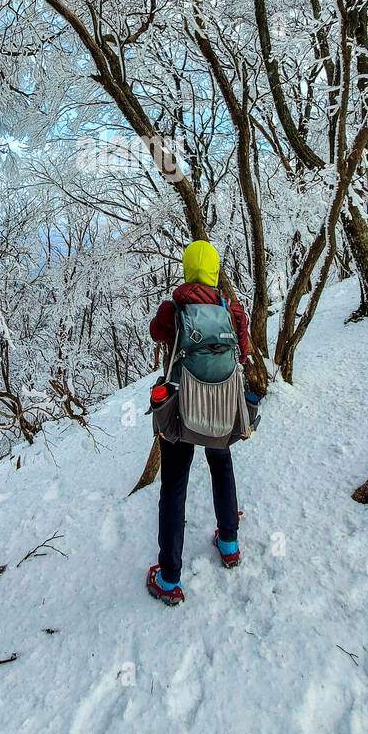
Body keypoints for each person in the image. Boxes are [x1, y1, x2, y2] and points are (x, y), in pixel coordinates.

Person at [146, 240, 251, 607]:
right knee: (222, 466)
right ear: (215, 270)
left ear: (188, 268)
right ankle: (229, 543)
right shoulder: (231, 309)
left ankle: (170, 577)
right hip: (220, 407)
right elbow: (246, 350)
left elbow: (155, 333)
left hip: (179, 408)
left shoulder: (172, 309)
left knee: (174, 485)